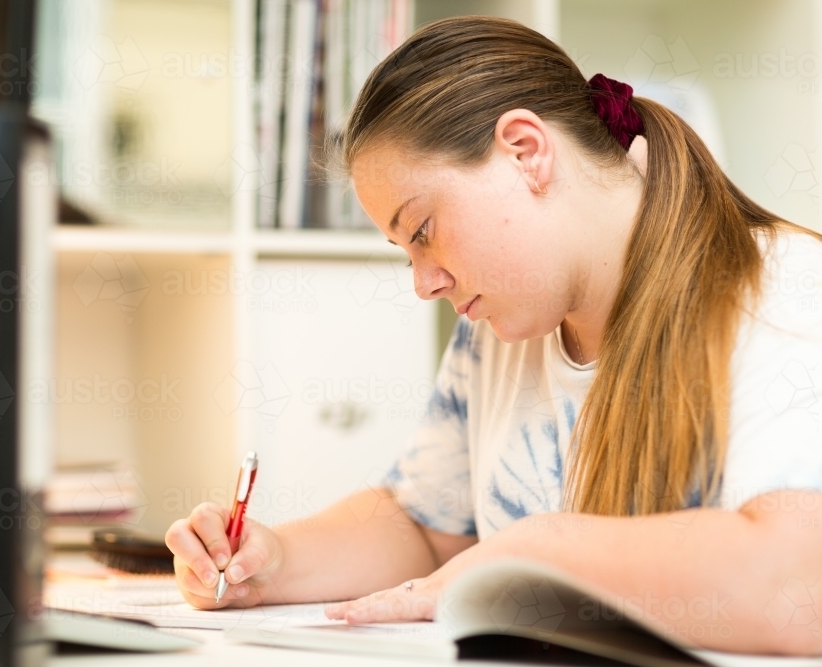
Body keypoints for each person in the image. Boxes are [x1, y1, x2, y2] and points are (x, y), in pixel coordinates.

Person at [165, 16, 822, 655]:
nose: (424, 284)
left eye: (421, 230)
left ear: (525, 151)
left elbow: (798, 585)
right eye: (405, 252)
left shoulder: (786, 288)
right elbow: (427, 529)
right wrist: (270, 561)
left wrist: (530, 550)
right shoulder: (501, 329)